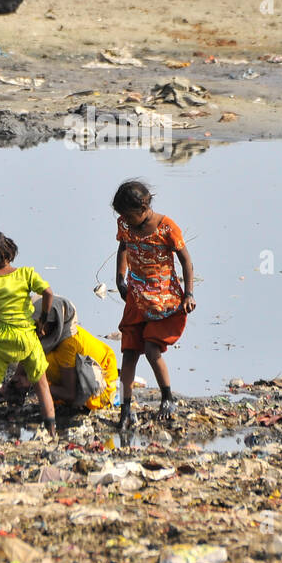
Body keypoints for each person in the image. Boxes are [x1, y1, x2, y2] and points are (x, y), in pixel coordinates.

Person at [112, 180, 195, 428]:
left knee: (151, 350)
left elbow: (186, 262)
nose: (125, 220)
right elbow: (123, 248)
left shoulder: (166, 227)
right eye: (122, 216)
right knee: (128, 351)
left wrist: (189, 294)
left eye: (128, 215)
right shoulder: (125, 225)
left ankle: (167, 398)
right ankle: (126, 408)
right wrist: (120, 278)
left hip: (162, 299)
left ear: (144, 207)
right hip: (136, 297)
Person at [0, 231, 55, 439]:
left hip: (2, 338)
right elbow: (48, 293)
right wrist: (42, 319)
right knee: (42, 385)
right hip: (27, 336)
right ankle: (51, 431)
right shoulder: (26, 273)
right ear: (9, 251)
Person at [21, 294, 119, 412]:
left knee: (44, 366)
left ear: (55, 323)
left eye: (40, 324)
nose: (38, 329)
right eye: (35, 324)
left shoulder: (68, 343)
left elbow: (69, 394)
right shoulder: (50, 337)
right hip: (71, 372)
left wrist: (35, 387)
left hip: (102, 382)